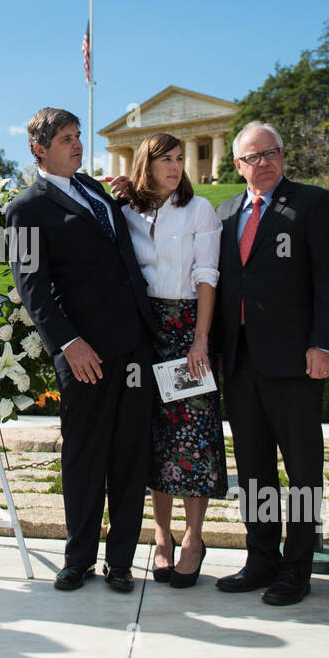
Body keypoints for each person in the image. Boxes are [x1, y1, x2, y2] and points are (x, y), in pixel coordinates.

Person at [6, 108, 155, 593]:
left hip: (134, 345)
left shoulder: (96, 191)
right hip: (83, 354)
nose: (77, 145)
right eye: (66, 139)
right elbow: (32, 287)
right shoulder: (24, 210)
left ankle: (121, 562)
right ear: (39, 149)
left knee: (130, 456)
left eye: (78, 137)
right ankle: (78, 558)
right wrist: (69, 344)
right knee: (86, 456)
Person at [212, 121, 329, 605]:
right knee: (253, 468)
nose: (262, 162)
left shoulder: (312, 203)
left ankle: (298, 566)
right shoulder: (225, 213)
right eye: (252, 157)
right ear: (237, 165)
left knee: (303, 468)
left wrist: (324, 345)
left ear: (283, 157)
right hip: (241, 362)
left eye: (271, 153)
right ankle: (261, 557)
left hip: (295, 359)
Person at [111, 133, 225, 587]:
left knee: (193, 437)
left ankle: (194, 538)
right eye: (165, 160)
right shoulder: (127, 212)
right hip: (142, 331)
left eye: (180, 159)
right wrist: (121, 191)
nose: (176, 166)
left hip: (185, 330)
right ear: (147, 163)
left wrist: (200, 340)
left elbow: (207, 274)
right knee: (154, 436)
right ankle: (161, 537)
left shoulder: (199, 211)